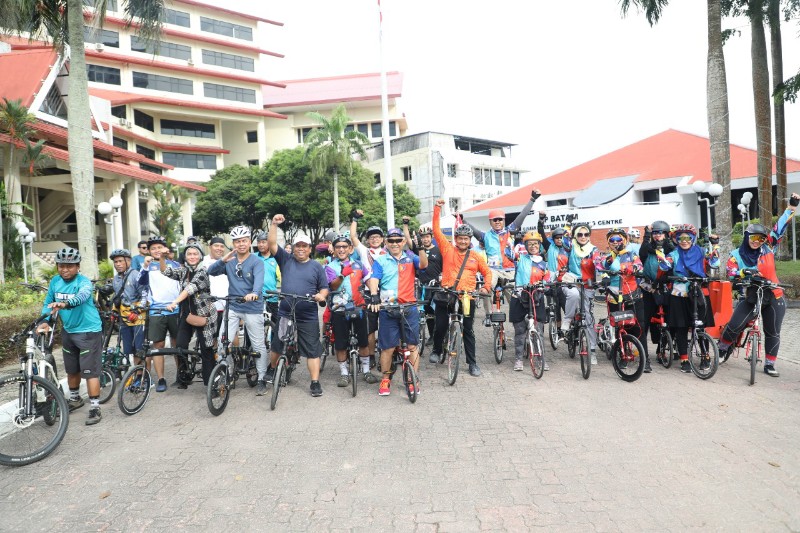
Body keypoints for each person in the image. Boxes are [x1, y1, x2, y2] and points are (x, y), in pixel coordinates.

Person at [718, 193, 799, 377]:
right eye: (753, 238)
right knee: (735, 325)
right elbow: (730, 274)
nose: (757, 242)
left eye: (760, 239)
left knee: (773, 331)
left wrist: (792, 207)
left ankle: (770, 364)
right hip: (750, 295)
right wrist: (741, 273)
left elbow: (779, 229)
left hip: (773, 295)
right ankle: (722, 349)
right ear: (747, 237)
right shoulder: (736, 255)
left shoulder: (768, 247)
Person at [38, 248, 105, 425]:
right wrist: (44, 321)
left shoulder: (84, 283)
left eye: (69, 266)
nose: (65, 269)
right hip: (69, 330)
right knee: (72, 368)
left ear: (77, 266)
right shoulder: (55, 281)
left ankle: (95, 407)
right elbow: (48, 303)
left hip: (89, 331)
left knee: (90, 371)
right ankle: (75, 399)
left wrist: (65, 303)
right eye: (61, 266)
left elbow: (81, 297)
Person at [265, 217, 329, 397]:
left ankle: (315, 382)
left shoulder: (317, 267)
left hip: (307, 314)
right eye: (298, 246)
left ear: (310, 249)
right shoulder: (286, 260)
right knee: (278, 345)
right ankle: (272, 368)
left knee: (312, 349)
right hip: (286, 312)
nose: (301, 249)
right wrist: (274, 225)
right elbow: (271, 243)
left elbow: (324, 288)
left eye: (304, 246)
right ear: (293, 248)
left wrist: (321, 295)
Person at [207, 226, 269, 394]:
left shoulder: (257, 262)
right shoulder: (230, 261)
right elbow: (210, 272)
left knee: (257, 345)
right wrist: (223, 260)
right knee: (222, 342)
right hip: (233, 306)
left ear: (249, 242)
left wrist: (254, 293)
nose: (241, 244)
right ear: (233, 243)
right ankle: (226, 373)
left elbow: (258, 283)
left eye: (244, 241)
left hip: (252, 308)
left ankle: (262, 377)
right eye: (237, 241)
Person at [432, 199, 491, 377]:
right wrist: (437, 209)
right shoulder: (447, 249)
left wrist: (486, 287)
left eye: (466, 238)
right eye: (460, 238)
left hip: (467, 297)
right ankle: (436, 350)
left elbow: (487, 273)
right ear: (455, 239)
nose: (463, 241)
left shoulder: (476, 256)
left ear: (470, 240)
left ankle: (472, 363)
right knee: (440, 325)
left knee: (468, 330)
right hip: (447, 294)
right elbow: (436, 230)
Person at [367, 227, 428, 395]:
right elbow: (374, 278)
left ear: (403, 242)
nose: (394, 243)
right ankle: (386, 379)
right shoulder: (381, 260)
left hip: (409, 308)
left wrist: (421, 247)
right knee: (387, 348)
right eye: (391, 240)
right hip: (388, 309)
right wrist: (374, 295)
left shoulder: (411, 258)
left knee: (412, 346)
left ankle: (413, 379)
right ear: (386, 242)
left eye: (398, 240)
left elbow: (424, 264)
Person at [466, 188, 541, 323]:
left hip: (509, 270)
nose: (497, 222)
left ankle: (518, 321)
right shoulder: (485, 236)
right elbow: (473, 230)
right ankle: (488, 315)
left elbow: (522, 216)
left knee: (516, 296)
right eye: (494, 220)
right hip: (493, 270)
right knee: (486, 289)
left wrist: (532, 200)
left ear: (504, 220)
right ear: (490, 222)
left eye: (500, 219)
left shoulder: (510, 231)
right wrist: (461, 219)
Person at [161, 243, 217, 387]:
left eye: (195, 254)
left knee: (207, 349)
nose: (192, 257)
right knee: (180, 346)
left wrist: (174, 302)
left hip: (204, 316)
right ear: (185, 257)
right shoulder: (183, 270)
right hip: (186, 315)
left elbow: (190, 289)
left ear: (200, 256)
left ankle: (210, 383)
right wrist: (162, 257)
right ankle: (184, 377)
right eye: (189, 254)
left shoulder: (203, 272)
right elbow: (166, 271)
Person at [666, 224, 720, 373]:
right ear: (676, 240)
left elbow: (715, 263)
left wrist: (715, 246)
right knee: (681, 328)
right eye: (680, 238)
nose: (684, 241)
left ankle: (705, 356)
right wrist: (660, 255)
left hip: (698, 293)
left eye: (687, 237)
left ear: (693, 238)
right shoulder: (674, 254)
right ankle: (684, 359)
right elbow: (665, 266)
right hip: (679, 294)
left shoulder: (701, 251)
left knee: (701, 326)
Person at [325, 234, 377, 386]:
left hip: (358, 306)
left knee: (364, 342)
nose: (341, 249)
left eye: (344, 247)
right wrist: (342, 274)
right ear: (334, 250)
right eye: (338, 247)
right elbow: (332, 286)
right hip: (338, 309)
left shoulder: (359, 265)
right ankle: (344, 373)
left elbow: (369, 279)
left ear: (350, 249)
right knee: (340, 343)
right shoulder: (329, 266)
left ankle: (366, 371)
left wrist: (374, 294)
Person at [595, 228, 649, 372]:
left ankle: (646, 360)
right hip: (615, 297)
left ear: (624, 241)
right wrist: (606, 277)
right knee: (620, 327)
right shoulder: (607, 257)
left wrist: (631, 268)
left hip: (633, 295)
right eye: (612, 240)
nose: (615, 243)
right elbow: (601, 267)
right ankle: (623, 355)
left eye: (619, 240)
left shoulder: (632, 255)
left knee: (639, 327)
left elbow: (639, 267)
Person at [139, 236, 181, 392]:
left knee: (178, 344)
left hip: (176, 310)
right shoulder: (147, 267)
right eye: (153, 248)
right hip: (156, 310)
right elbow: (140, 282)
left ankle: (181, 374)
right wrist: (145, 266)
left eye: (159, 247)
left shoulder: (175, 265)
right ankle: (161, 379)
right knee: (158, 345)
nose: (157, 251)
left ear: (166, 248)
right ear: (148, 251)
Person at [560, 222, 601, 364]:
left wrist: (604, 276)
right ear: (575, 236)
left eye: (586, 234)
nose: (583, 237)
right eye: (580, 234)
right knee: (574, 295)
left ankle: (592, 351)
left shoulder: (593, 250)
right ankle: (567, 319)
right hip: (571, 281)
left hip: (587, 284)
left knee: (588, 318)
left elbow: (599, 263)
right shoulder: (570, 246)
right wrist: (568, 225)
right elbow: (564, 238)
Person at [404, 222, 444, 363]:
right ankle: (430, 335)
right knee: (426, 311)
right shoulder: (418, 249)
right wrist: (405, 226)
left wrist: (441, 277)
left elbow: (444, 267)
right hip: (422, 284)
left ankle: (436, 335)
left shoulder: (439, 251)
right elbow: (408, 240)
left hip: (436, 286)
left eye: (427, 237)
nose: (425, 239)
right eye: (423, 237)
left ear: (431, 237)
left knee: (436, 312)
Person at [510, 231, 550, 372]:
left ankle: (541, 359)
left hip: (536, 298)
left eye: (535, 243)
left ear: (540, 245)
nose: (533, 246)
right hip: (519, 297)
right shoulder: (520, 258)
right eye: (530, 243)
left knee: (538, 330)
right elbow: (508, 251)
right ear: (525, 245)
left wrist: (545, 285)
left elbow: (548, 278)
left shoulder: (544, 263)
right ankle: (518, 359)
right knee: (520, 331)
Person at [638, 220, 674, 351]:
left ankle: (663, 347)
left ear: (665, 234)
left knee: (669, 319)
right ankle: (644, 354)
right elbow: (642, 252)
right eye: (655, 233)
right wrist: (647, 234)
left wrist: (665, 278)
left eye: (660, 233)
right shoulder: (648, 248)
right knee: (645, 320)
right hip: (649, 287)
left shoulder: (670, 249)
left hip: (665, 287)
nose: (657, 235)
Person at [110, 249, 146, 370]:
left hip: (138, 317)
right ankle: (134, 373)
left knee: (139, 349)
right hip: (124, 317)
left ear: (129, 261)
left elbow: (145, 296)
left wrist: (137, 311)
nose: (118, 264)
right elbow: (118, 297)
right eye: (115, 262)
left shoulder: (137, 275)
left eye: (120, 261)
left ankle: (142, 377)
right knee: (129, 349)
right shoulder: (116, 279)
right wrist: (114, 310)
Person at [201, 237, 230, 340]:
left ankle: (232, 356)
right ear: (210, 247)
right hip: (211, 305)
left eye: (222, 246)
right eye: (216, 246)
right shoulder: (203, 261)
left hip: (228, 304)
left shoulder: (229, 260)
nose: (219, 248)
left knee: (230, 336)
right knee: (213, 337)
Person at [255, 231, 281, 325]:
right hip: (256, 298)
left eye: (264, 242)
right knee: (254, 325)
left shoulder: (276, 258)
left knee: (275, 325)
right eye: (259, 242)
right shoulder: (253, 257)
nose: (261, 245)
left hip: (272, 297)